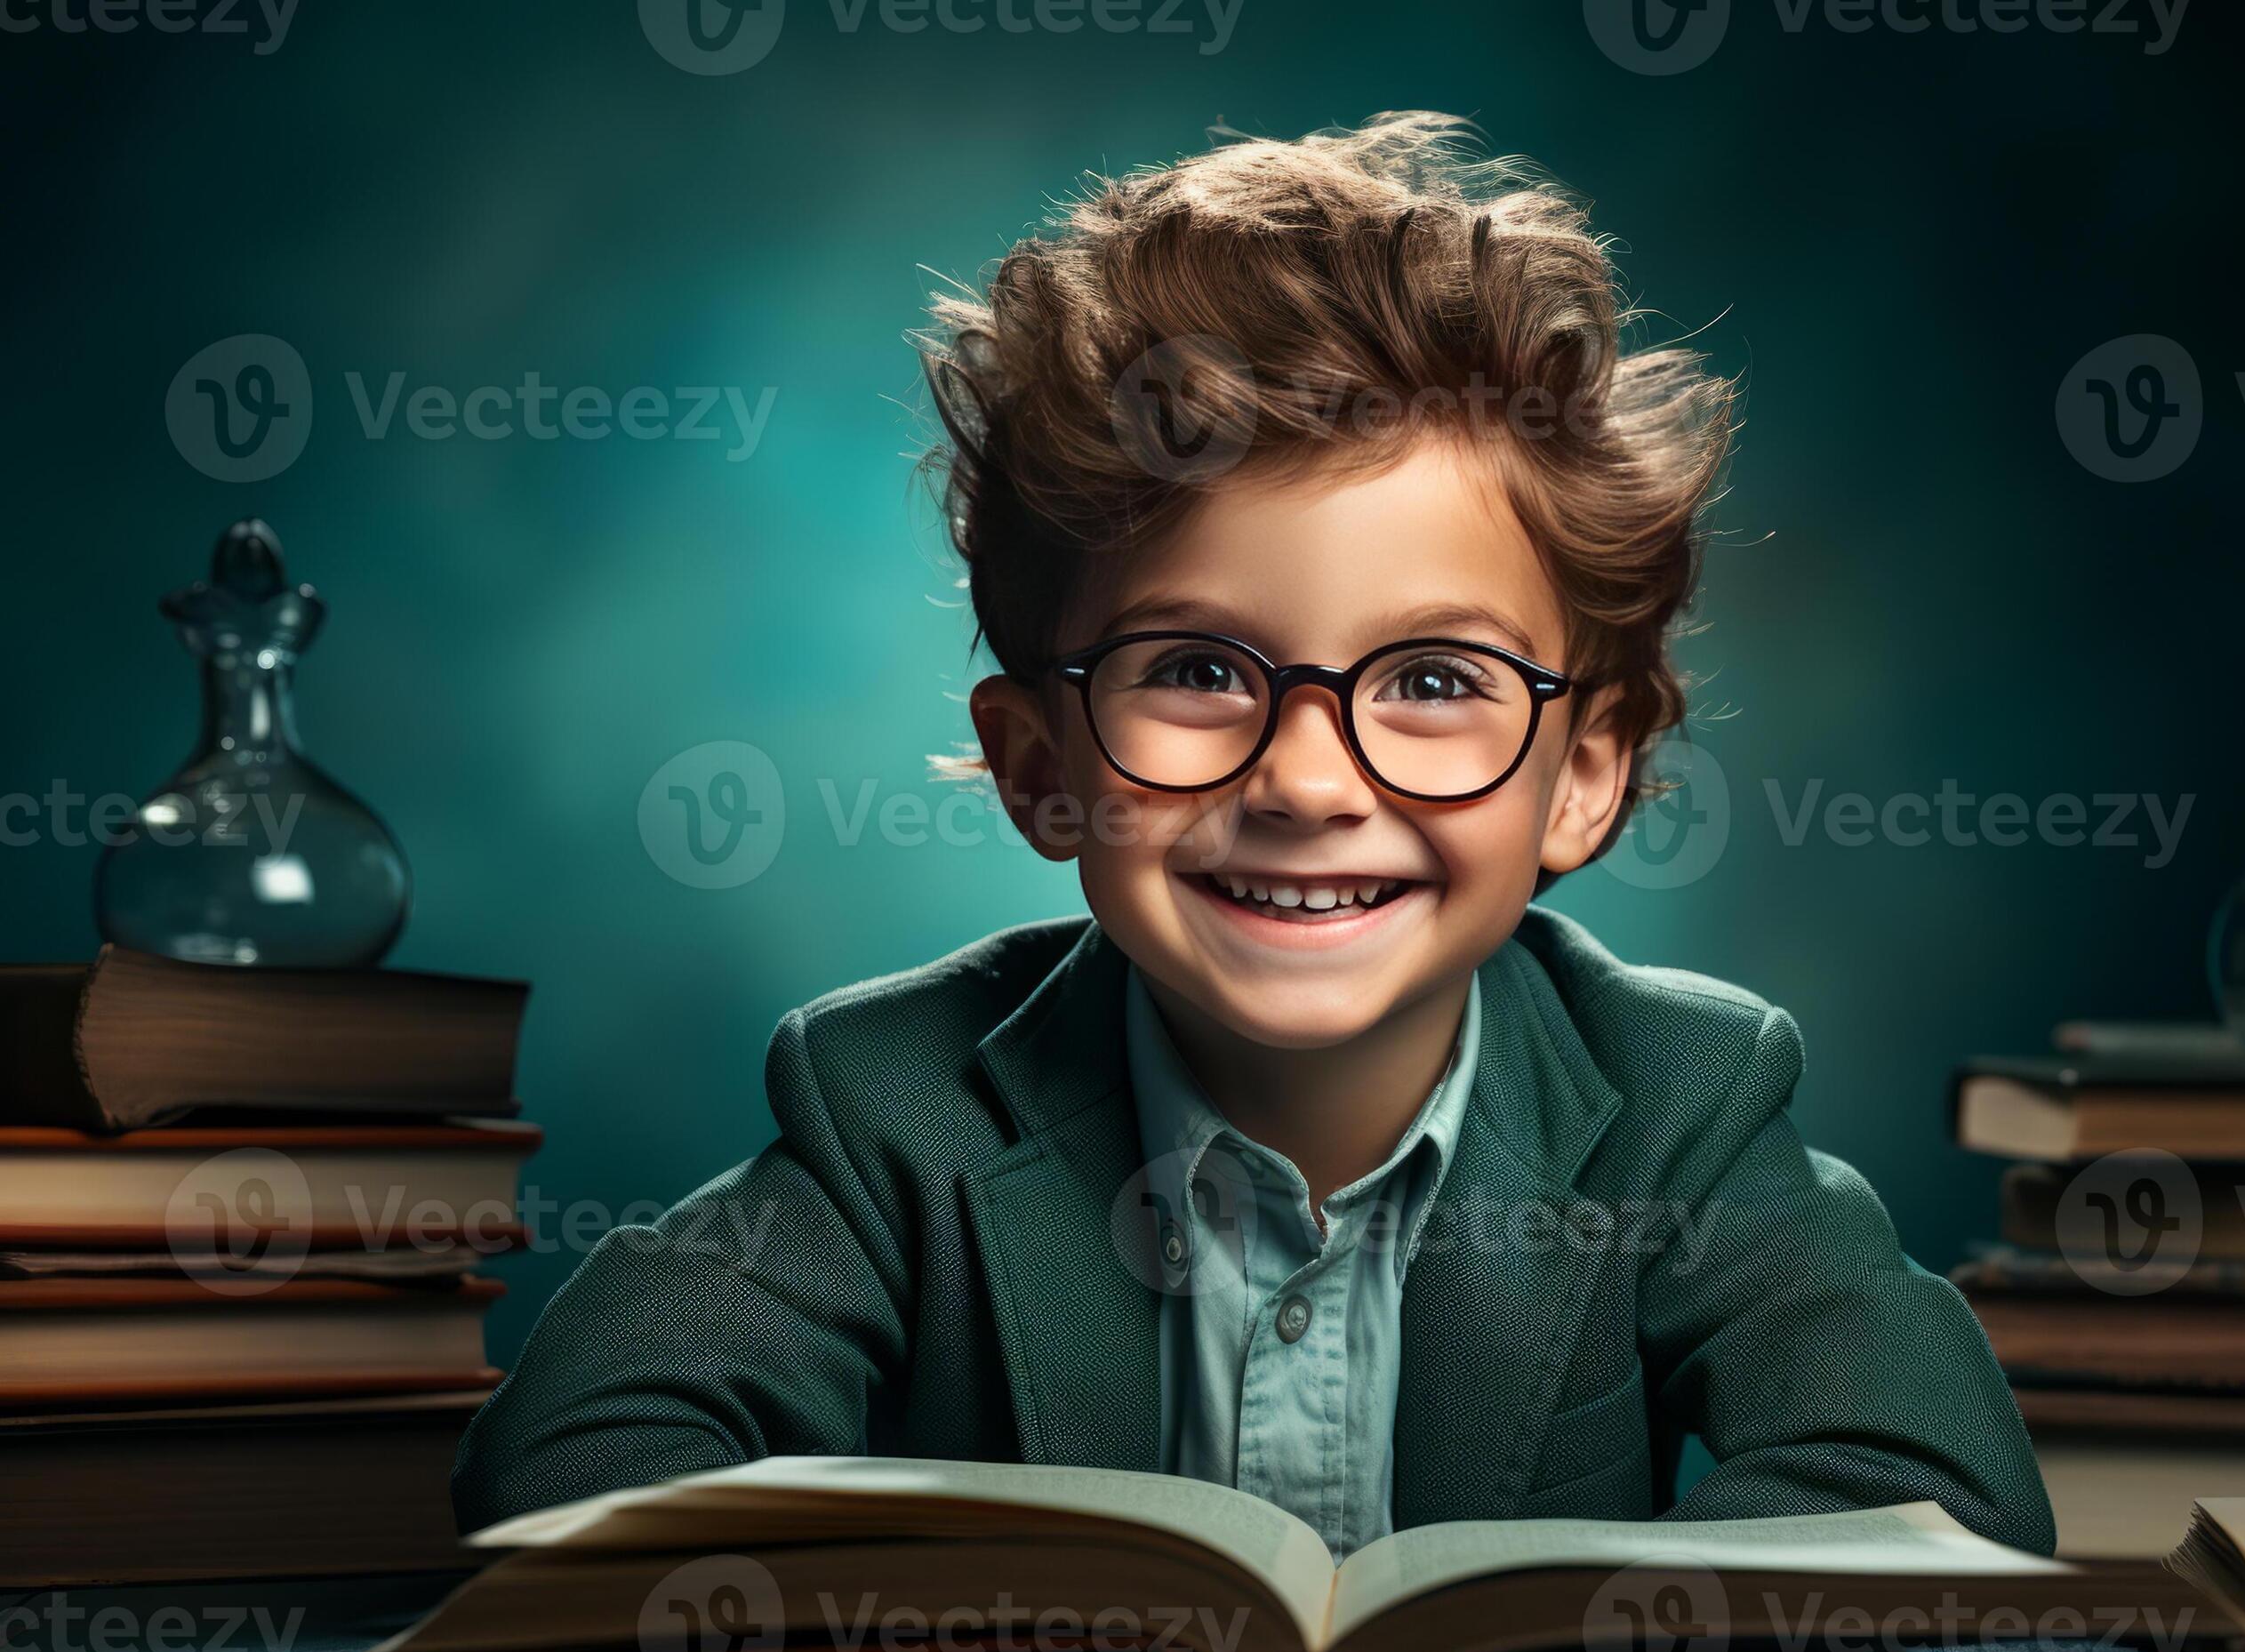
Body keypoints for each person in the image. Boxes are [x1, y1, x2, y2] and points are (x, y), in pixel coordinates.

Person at [453, 114, 2052, 1561]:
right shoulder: (899, 1117)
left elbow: (1932, 1492)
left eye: (1434, 680)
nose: (1302, 780)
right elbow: (577, 1457)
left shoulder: (1677, 1114)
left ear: (1587, 773)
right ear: (1040, 767)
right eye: (1199, 672)